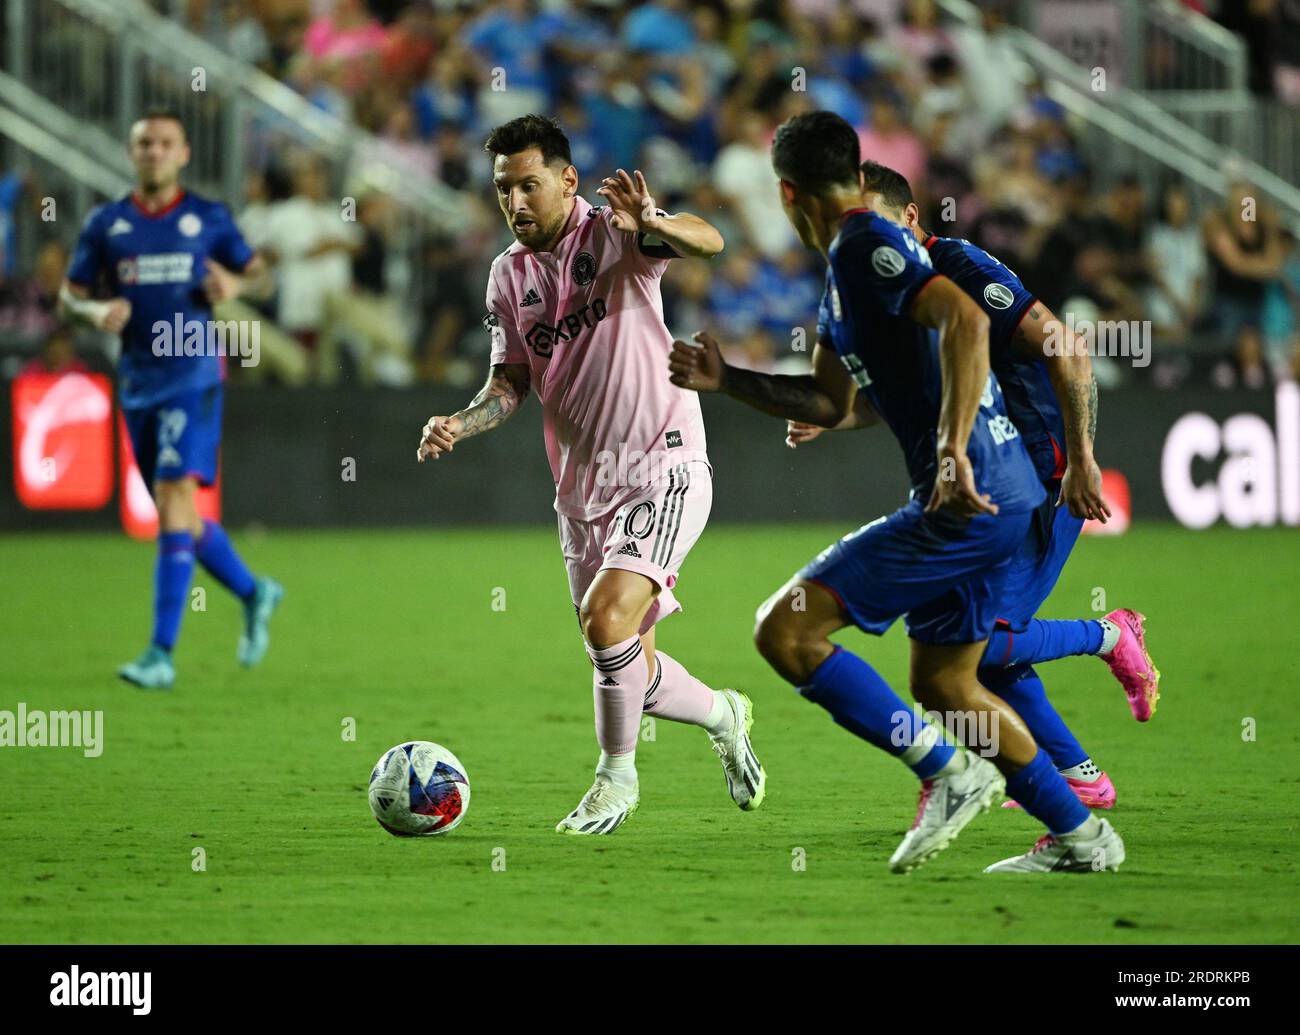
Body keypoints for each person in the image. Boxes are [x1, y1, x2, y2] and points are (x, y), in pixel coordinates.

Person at [669, 111, 1126, 873]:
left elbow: (966, 318)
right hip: (1002, 492)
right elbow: (832, 403)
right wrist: (728, 382)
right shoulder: (842, 273)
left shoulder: (864, 242)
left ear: (787, 194)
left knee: (784, 631)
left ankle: (948, 770)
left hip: (966, 493)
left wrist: (950, 450)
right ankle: (1083, 836)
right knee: (947, 680)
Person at [416, 114, 763, 835]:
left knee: (607, 621)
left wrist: (653, 219)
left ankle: (616, 779)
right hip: (581, 493)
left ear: (567, 181)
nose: (515, 202)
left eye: (529, 185)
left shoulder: (615, 234)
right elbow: (509, 383)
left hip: (661, 464)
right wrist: (461, 419)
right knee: (628, 660)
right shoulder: (507, 275)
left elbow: (709, 240)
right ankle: (726, 713)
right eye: (503, 188)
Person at [787, 161, 1163, 808]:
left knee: (973, 645)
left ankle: (1108, 638)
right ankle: (1077, 777)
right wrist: (832, 416)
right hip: (978, 485)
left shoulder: (959, 269)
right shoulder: (886, 286)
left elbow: (1067, 349)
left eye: (874, 220)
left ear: (910, 218)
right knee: (970, 645)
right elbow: (888, 396)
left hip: (1038, 477)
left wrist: (1080, 459)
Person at [59, 110, 282, 691]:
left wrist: (236, 285)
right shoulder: (106, 224)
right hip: (137, 381)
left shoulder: (207, 217)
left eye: (164, 143)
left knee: (174, 494)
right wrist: (91, 311)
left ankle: (160, 654)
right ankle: (255, 592)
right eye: (144, 143)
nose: (154, 152)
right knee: (178, 513)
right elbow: (68, 297)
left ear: (183, 153)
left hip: (193, 373)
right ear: (132, 153)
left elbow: (262, 277)